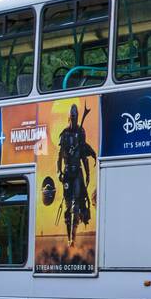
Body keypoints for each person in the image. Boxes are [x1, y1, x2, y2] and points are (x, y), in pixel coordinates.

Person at [56, 103, 97, 245]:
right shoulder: (64, 134)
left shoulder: (81, 132)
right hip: (67, 172)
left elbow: (84, 155)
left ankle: (73, 238)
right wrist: (58, 172)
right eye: (72, 117)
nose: (73, 119)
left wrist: (87, 173)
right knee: (68, 207)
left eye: (75, 117)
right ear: (69, 117)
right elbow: (59, 156)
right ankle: (69, 238)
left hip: (77, 172)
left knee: (76, 206)